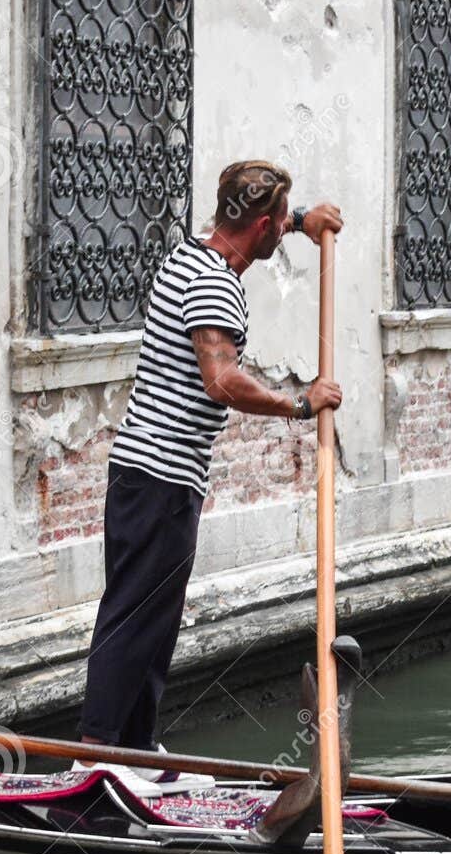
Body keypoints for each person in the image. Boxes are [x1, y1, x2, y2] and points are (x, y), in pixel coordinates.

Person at [76, 160, 344, 795]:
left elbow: (254, 215)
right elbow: (220, 380)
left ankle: (137, 748)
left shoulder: (193, 251)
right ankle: (94, 755)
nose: (283, 232)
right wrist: (300, 404)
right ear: (258, 226)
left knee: (155, 611)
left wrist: (302, 219)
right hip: (161, 476)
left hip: (150, 474)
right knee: (136, 612)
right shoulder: (216, 289)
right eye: (279, 224)